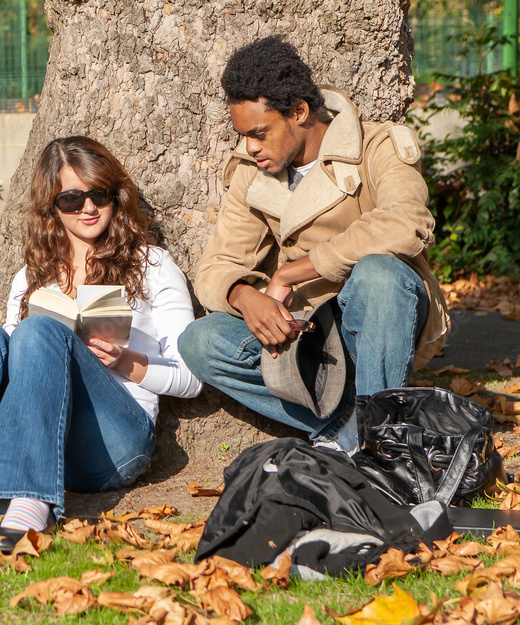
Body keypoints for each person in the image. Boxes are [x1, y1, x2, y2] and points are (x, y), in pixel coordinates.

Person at [0, 136, 202, 553]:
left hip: (114, 443)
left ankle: (28, 502)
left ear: (116, 195)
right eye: (71, 199)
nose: (87, 208)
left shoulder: (152, 266)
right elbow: (3, 363)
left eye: (98, 194)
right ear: (52, 208)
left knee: (40, 332)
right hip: (37, 438)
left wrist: (126, 361)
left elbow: (192, 378)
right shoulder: (31, 277)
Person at [177, 36, 450, 450]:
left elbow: (405, 222)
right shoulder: (254, 171)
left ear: (299, 112)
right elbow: (216, 266)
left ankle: (383, 443)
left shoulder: (376, 145)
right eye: (244, 135)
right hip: (309, 333)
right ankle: (345, 428)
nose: (251, 147)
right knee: (199, 341)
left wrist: (291, 271)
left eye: (260, 133)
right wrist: (244, 297)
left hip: (383, 317)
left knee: (378, 273)